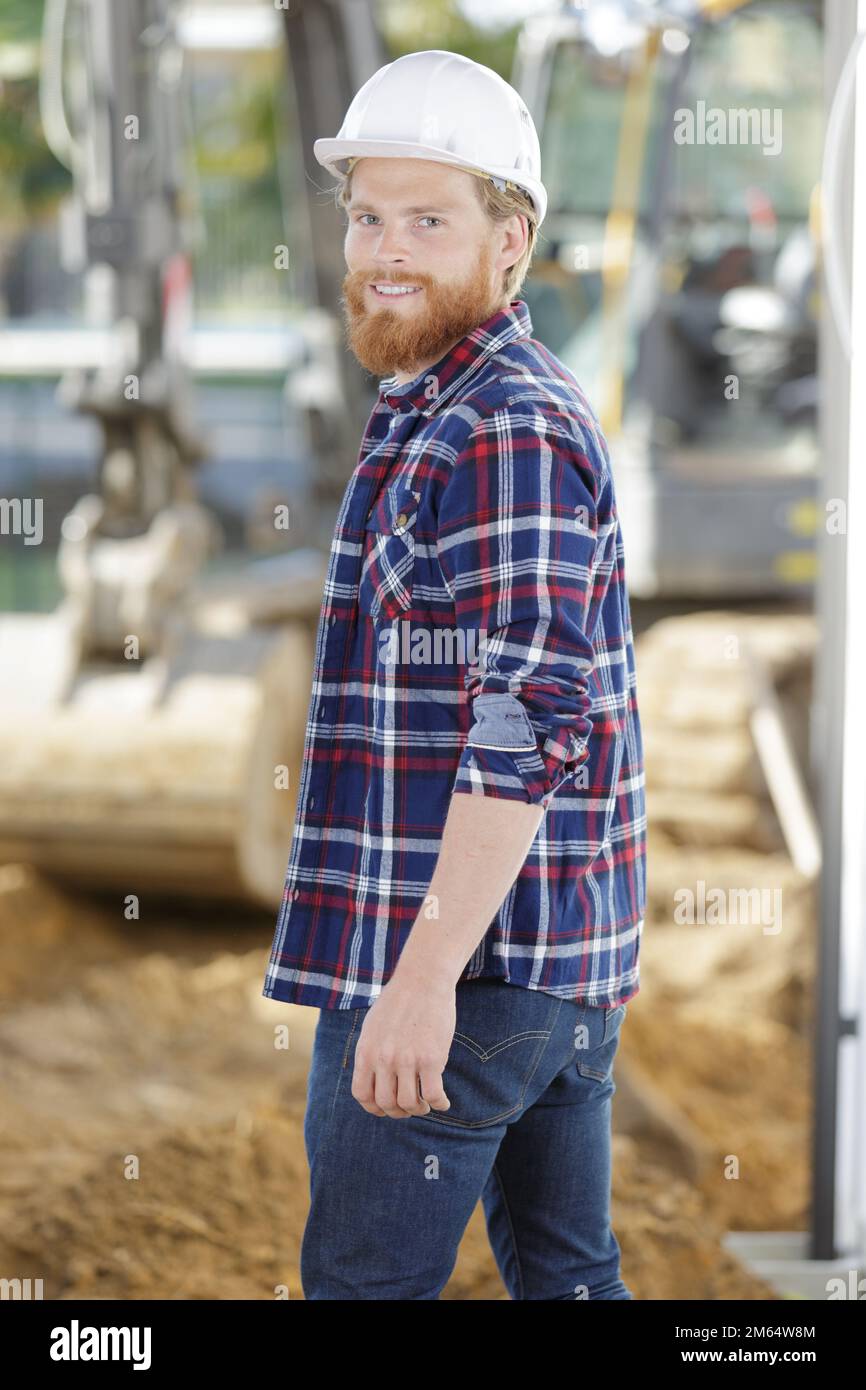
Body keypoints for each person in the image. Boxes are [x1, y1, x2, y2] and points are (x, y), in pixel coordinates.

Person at [262, 49, 647, 1301]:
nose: (384, 248)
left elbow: (531, 718)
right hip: (537, 969)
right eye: (368, 215)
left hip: (466, 973)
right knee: (569, 1281)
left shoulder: (501, 424)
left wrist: (419, 982)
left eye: (428, 220)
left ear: (510, 240)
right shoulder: (440, 399)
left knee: (362, 1288)